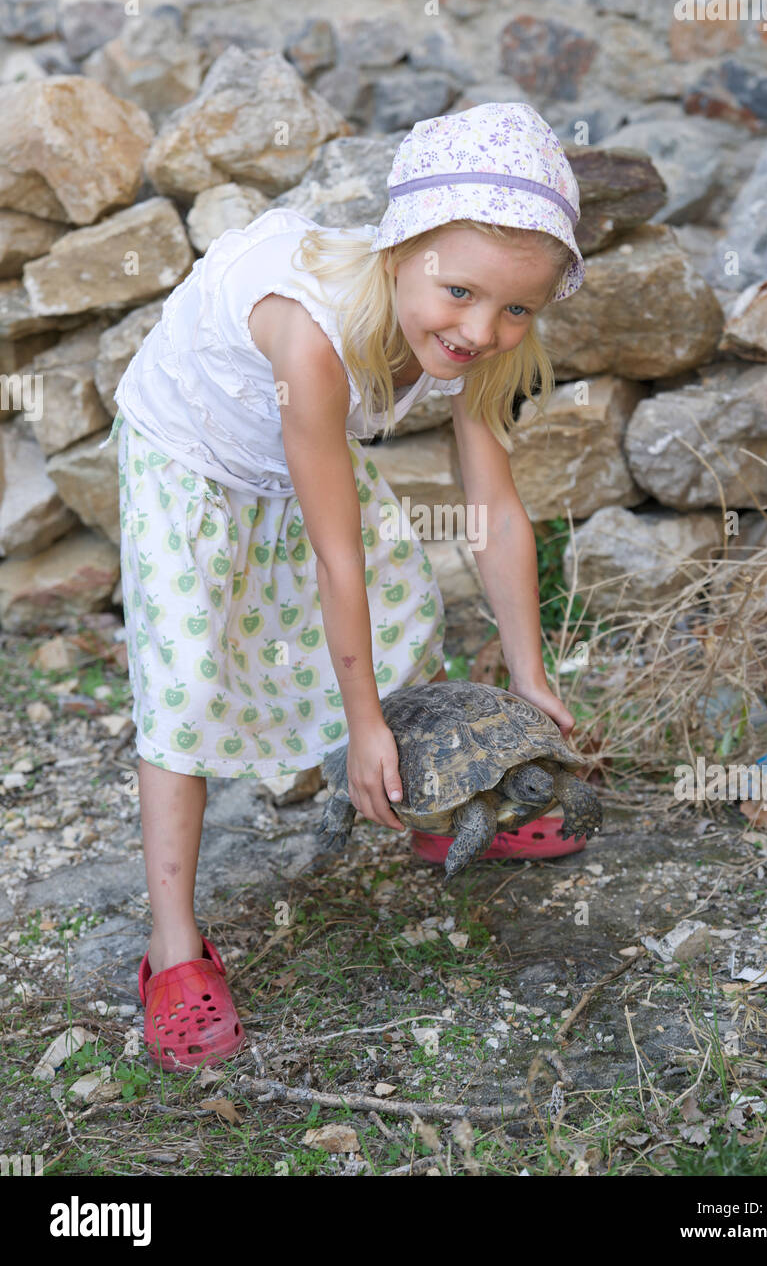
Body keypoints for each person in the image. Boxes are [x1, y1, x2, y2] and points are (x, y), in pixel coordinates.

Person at [100, 99, 587, 1070]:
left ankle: (441, 811)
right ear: (398, 247)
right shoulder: (312, 336)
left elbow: (490, 505)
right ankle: (173, 951)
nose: (483, 329)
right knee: (188, 685)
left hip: (295, 459)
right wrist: (361, 721)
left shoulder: (468, 334)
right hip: (191, 455)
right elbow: (336, 558)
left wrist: (531, 676)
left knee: (402, 619)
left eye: (516, 308)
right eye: (458, 292)